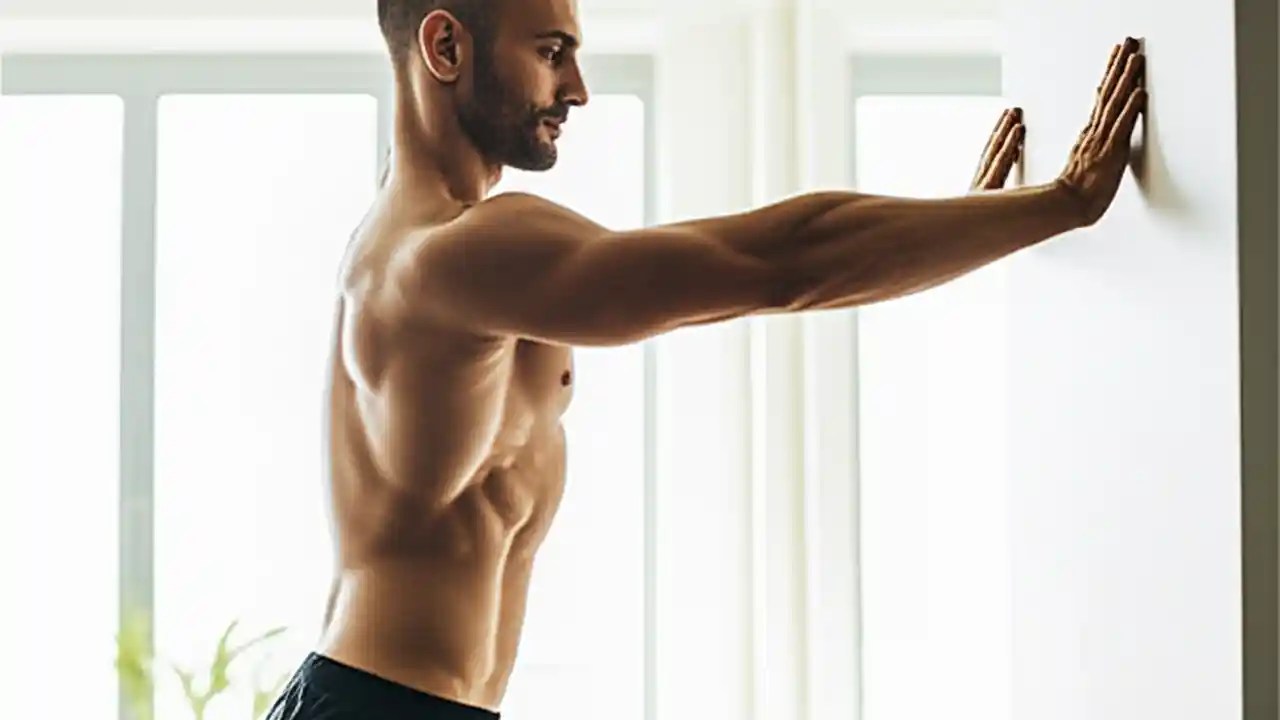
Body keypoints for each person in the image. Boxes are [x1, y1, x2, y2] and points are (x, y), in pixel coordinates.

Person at [264, 0, 1146, 714]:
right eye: (552, 50)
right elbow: (778, 265)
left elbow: (802, 271)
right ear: (446, 44)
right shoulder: (450, 254)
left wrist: (967, 227)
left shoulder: (442, 248)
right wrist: (1060, 203)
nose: (577, 89)